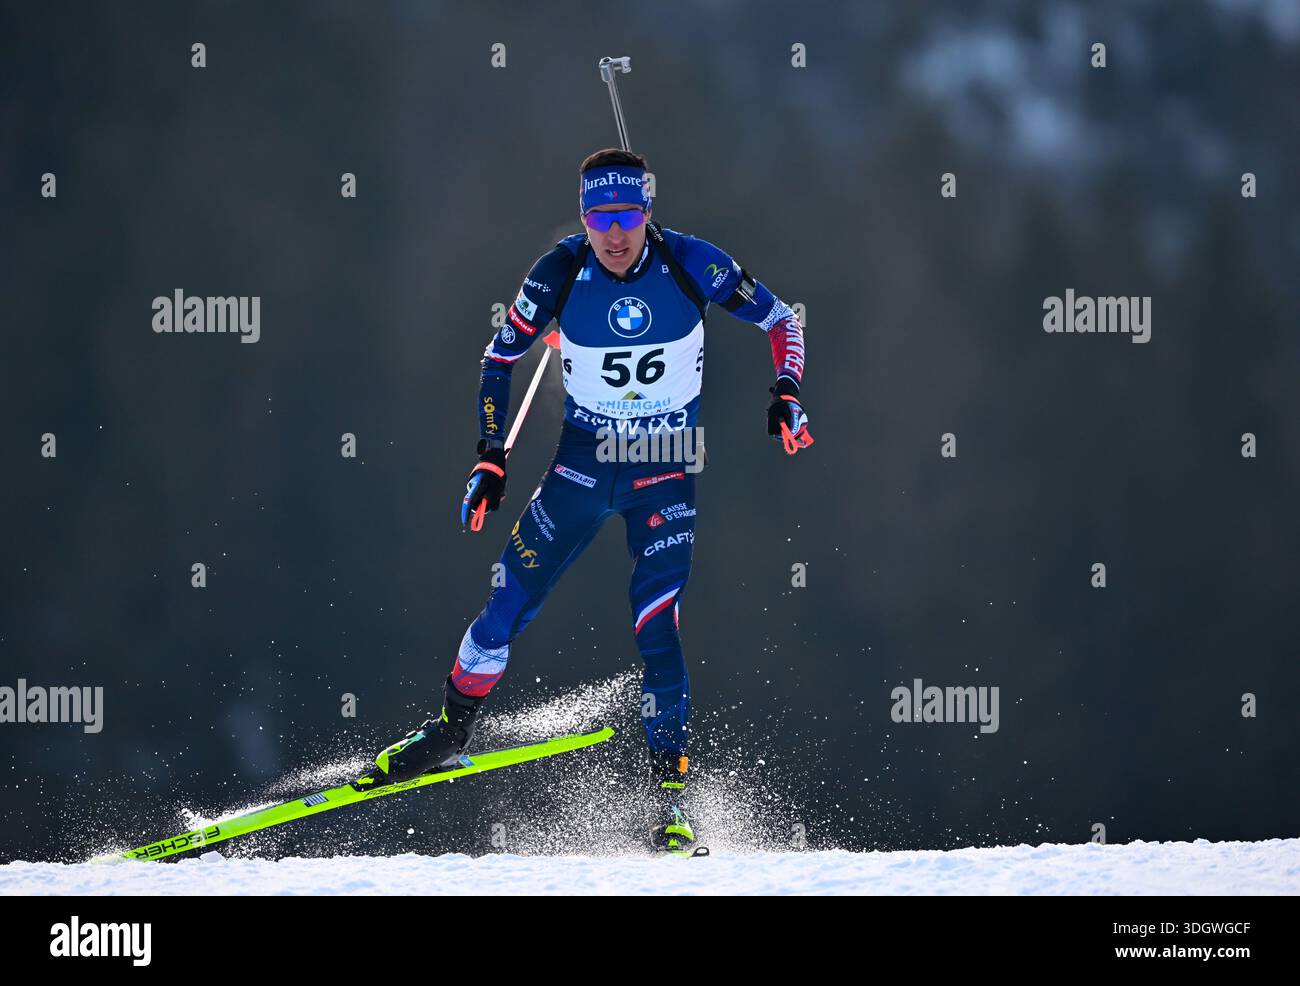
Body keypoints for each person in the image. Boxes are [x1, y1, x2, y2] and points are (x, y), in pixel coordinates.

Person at [356, 148, 812, 852]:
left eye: (628, 214)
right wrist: (489, 458)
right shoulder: (560, 272)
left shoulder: (693, 263)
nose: (615, 232)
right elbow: (498, 359)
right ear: (584, 217)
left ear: (648, 211)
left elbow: (783, 322)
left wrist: (786, 395)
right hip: (582, 465)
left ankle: (670, 801)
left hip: (663, 468)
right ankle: (447, 731)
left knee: (657, 623)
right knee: (507, 599)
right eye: (600, 216)